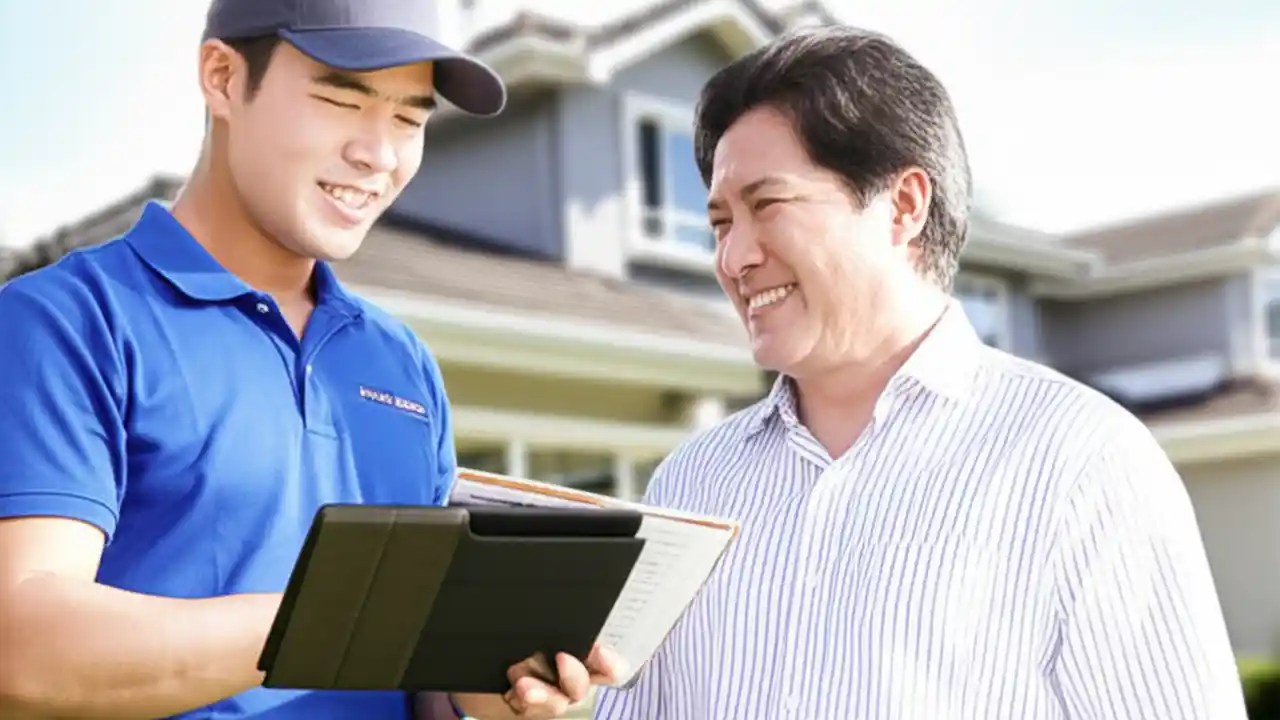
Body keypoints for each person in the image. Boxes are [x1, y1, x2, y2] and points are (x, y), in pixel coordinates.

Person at [593, 25, 1248, 720]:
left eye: (769, 205)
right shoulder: (690, 485)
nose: (733, 258)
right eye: (721, 222)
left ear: (904, 205)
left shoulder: (1083, 463)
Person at [0, 1, 620, 718]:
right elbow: (22, 645)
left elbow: (416, 681)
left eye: (410, 120)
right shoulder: (64, 322)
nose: (379, 155)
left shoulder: (402, 364)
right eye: (339, 99)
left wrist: (496, 693)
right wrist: (338, 616)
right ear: (223, 77)